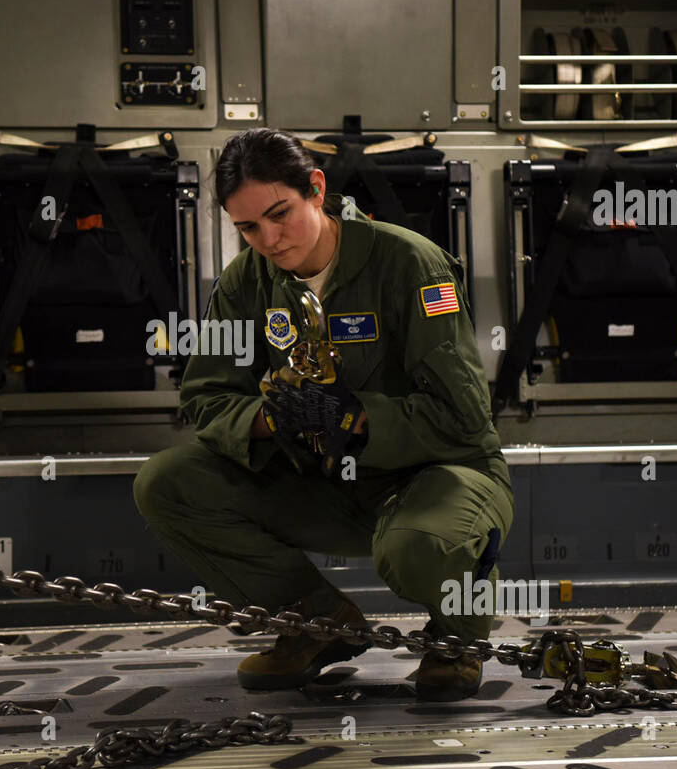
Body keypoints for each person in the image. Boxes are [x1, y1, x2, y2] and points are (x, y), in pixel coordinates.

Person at [133, 128, 513, 700]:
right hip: (326, 482)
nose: (269, 239)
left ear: (316, 188)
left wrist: (356, 417)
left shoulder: (411, 264)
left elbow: (463, 418)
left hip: (437, 477)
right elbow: (206, 399)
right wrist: (270, 419)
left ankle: (457, 638)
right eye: (247, 227)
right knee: (167, 483)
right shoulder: (247, 282)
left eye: (279, 214)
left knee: (418, 548)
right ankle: (315, 625)